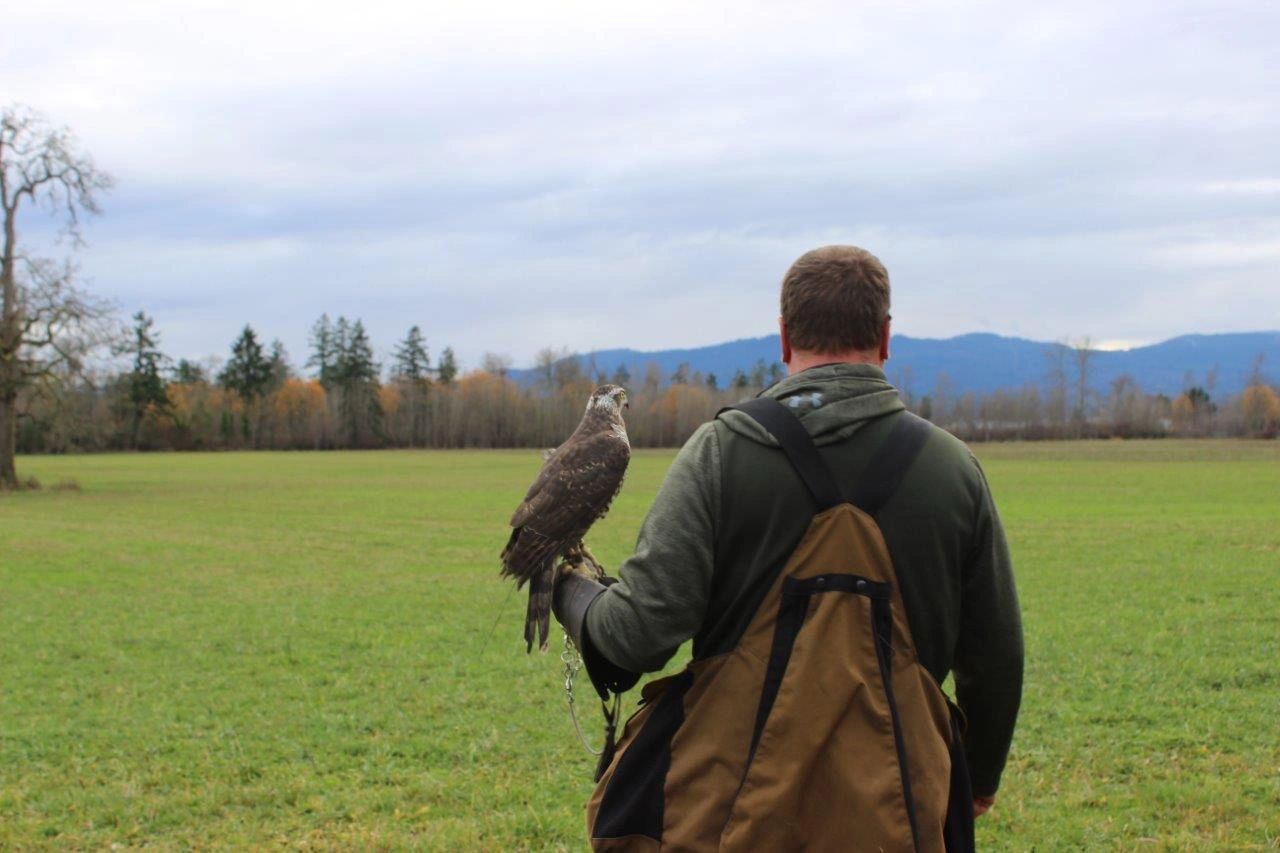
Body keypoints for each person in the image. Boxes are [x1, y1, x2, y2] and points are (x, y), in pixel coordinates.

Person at [554, 245, 1023, 850]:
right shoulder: (954, 470)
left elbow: (640, 634)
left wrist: (569, 590)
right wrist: (975, 779)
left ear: (783, 338)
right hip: (899, 818)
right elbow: (995, 656)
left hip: (728, 820)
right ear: (884, 339)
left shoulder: (719, 454)